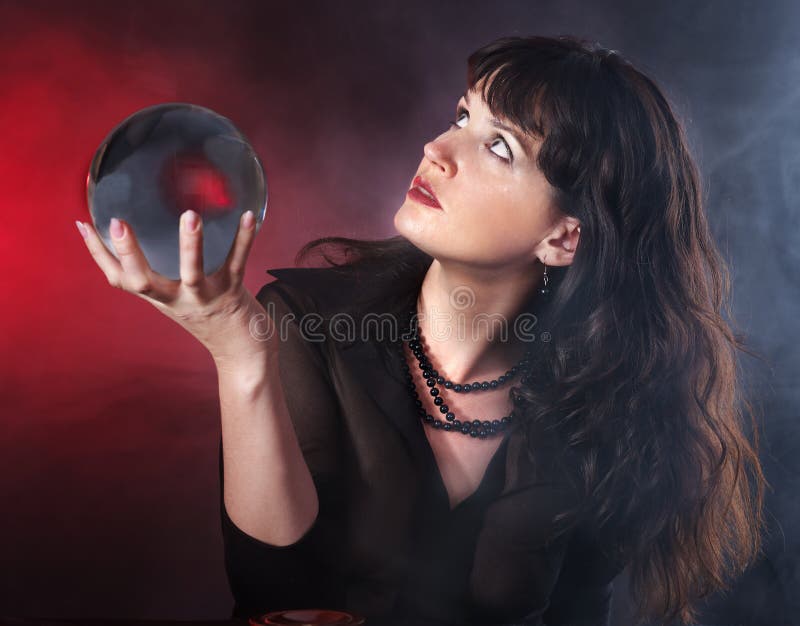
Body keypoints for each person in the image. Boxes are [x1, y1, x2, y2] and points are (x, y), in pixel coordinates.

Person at [76, 35, 769, 626]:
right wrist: (241, 354)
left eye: (498, 147)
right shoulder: (307, 323)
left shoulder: (603, 408)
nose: (438, 147)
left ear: (564, 236)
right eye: (461, 114)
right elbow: (275, 596)